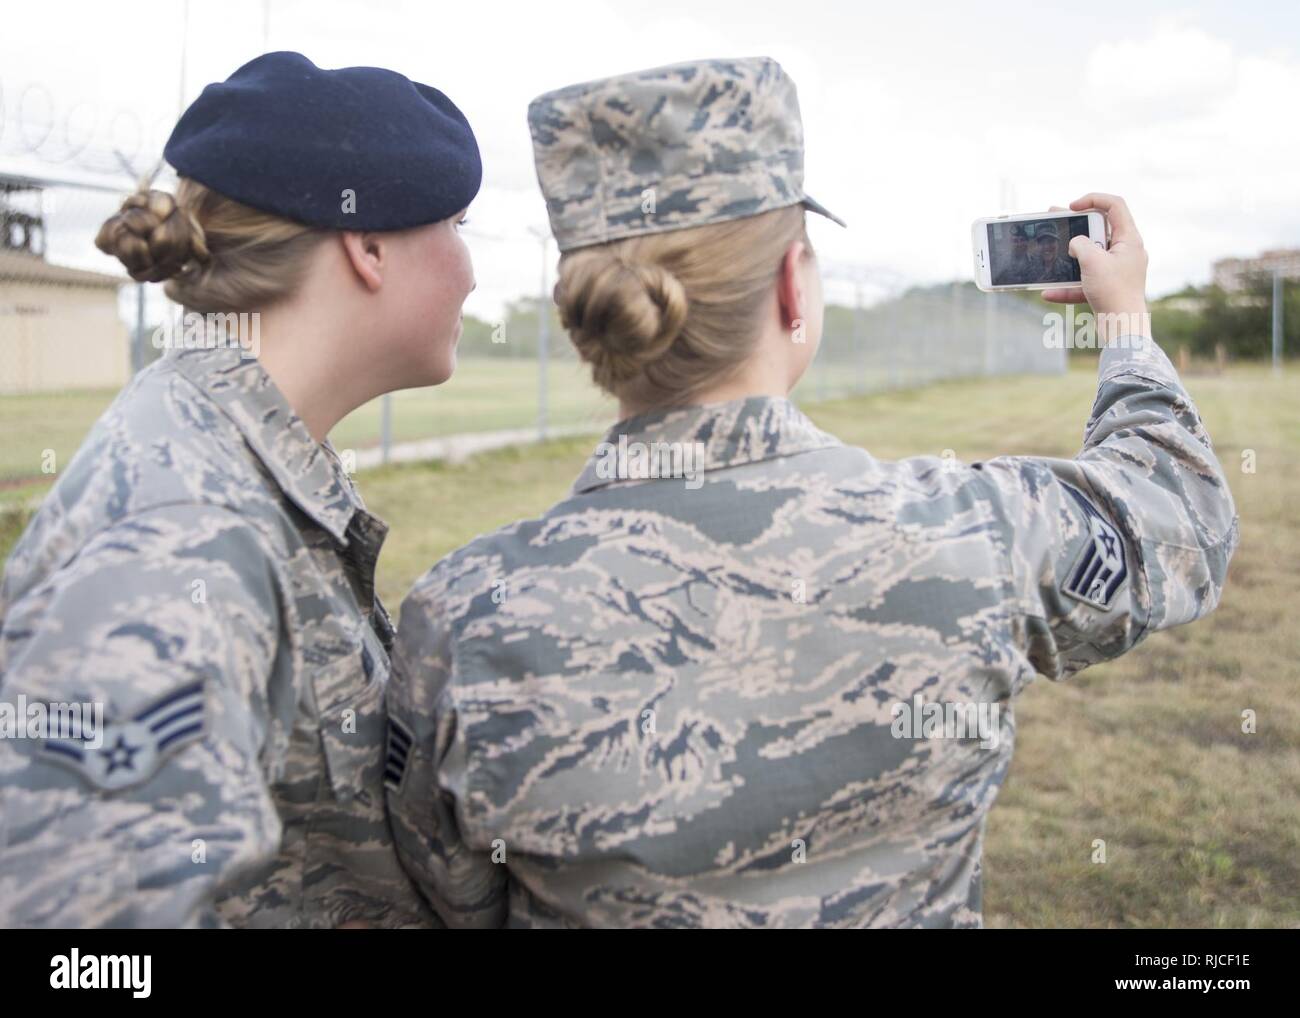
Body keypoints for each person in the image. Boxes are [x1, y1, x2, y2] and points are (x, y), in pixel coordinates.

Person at [385, 56, 1238, 928]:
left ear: (590, 322)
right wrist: (1124, 320)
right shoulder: (976, 534)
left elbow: (450, 896)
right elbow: (1183, 515)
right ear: (794, 286)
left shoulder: (459, 618)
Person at [0, 51, 479, 928]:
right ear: (368, 246)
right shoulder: (184, 526)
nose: (472, 270)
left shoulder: (251, 456)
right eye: (457, 221)